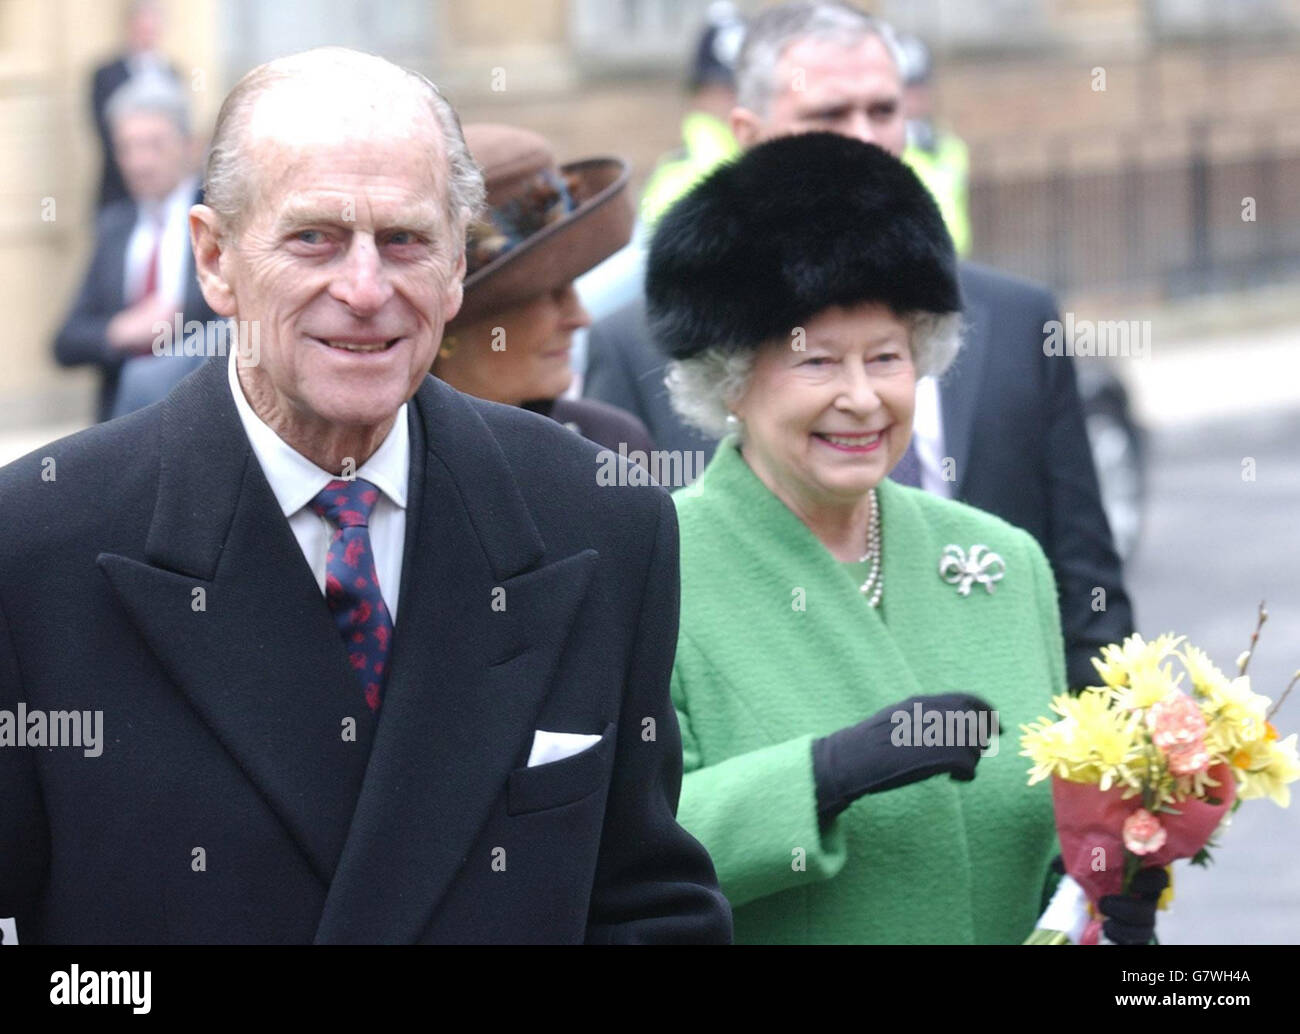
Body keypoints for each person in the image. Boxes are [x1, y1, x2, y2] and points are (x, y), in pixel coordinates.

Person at [0, 47, 730, 945]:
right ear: (215, 259)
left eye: (405, 241)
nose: (364, 289)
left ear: (457, 268)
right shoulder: (36, 545)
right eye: (313, 238)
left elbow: (647, 903)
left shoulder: (601, 520)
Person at [649, 130, 1163, 944]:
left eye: (885, 357)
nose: (862, 398)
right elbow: (622, 850)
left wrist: (1103, 899)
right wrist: (820, 777)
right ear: (730, 378)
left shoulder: (1003, 562)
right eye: (817, 362)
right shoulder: (653, 567)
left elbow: (1048, 834)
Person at [585, 0, 1133, 693]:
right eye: (830, 116)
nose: (864, 140)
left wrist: (1114, 778)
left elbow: (1089, 600)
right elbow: (622, 637)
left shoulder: (1020, 320)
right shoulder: (646, 341)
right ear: (749, 133)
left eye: (883, 111)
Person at [432, 124, 654, 454]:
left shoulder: (608, 446)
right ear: (452, 319)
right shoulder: (385, 466)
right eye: (549, 294)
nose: (580, 319)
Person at [54, 76, 217, 422]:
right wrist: (121, 331)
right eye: (127, 147)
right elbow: (65, 342)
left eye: (154, 145)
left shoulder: (220, 218)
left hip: (203, 417)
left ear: (190, 145)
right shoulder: (115, 226)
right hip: (122, 423)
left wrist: (177, 325)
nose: (139, 162)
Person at [90, 0, 181, 211]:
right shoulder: (105, 74)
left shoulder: (172, 73)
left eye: (152, 28)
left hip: (165, 190)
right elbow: (103, 132)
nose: (147, 34)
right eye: (142, 27)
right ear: (130, 27)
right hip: (117, 188)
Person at [898, 32, 972, 257]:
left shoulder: (949, 146)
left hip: (955, 260)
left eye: (920, 86)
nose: (915, 97)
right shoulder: (888, 149)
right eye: (907, 88)